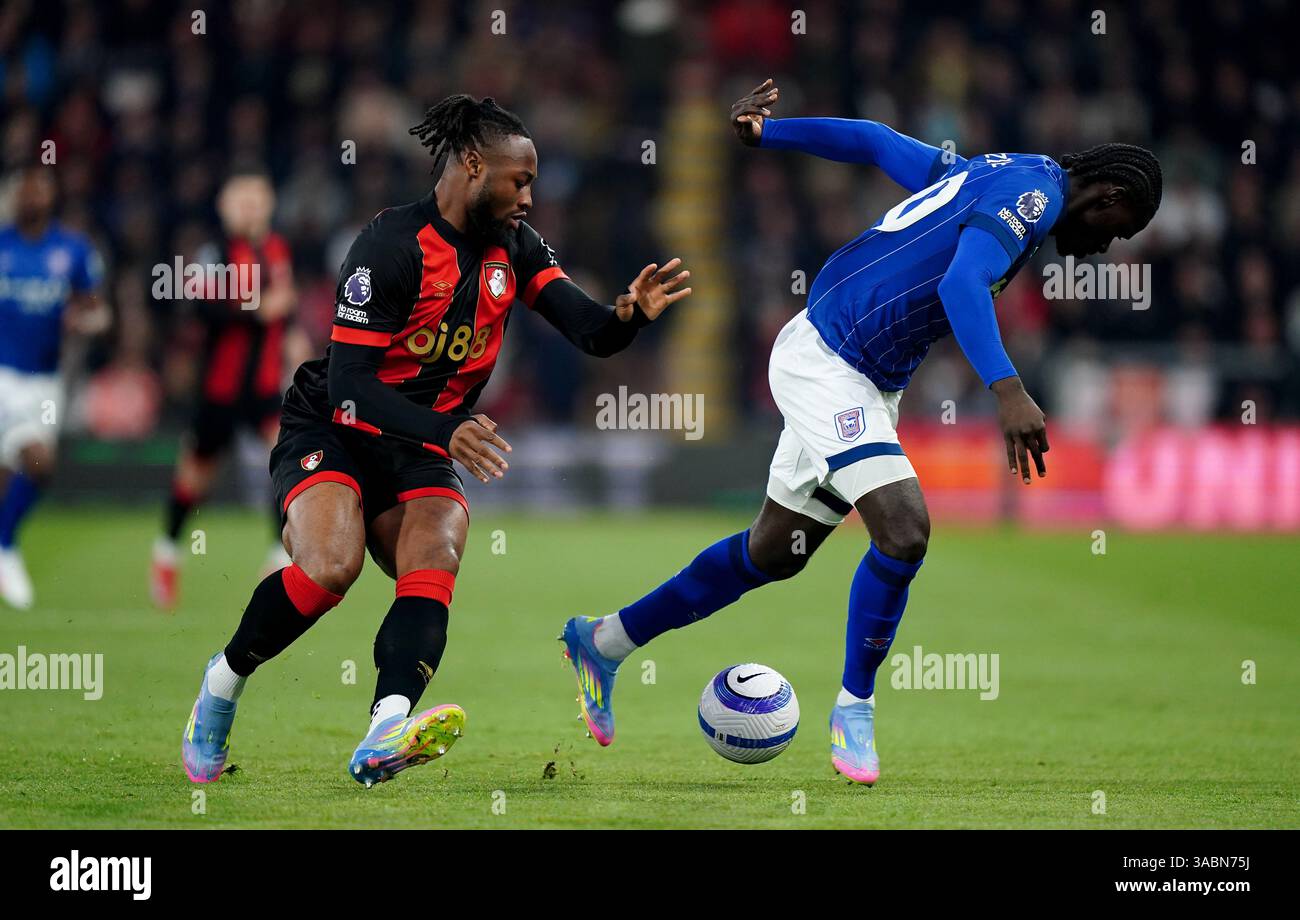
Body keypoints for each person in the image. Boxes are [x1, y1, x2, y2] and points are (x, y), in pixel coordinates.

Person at [560, 78, 1162, 784]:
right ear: (1111, 198)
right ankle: (855, 709)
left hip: (866, 376)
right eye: (1115, 233)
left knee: (773, 552)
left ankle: (603, 641)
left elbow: (877, 142)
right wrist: (1008, 389)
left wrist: (770, 133)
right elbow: (960, 285)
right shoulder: (1031, 201)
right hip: (828, 361)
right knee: (904, 530)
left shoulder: (1011, 169)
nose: (1098, 249)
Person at [181, 95, 692, 786]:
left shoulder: (516, 246)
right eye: (520, 181)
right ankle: (222, 682)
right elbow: (352, 385)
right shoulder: (388, 247)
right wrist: (448, 428)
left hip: (419, 443)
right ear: (474, 166)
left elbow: (590, 331)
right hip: (334, 427)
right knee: (333, 567)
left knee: (437, 552)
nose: (531, 197)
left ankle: (385, 727)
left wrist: (629, 317)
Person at [151, 170, 296, 609]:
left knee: (285, 461)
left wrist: (292, 341)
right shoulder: (214, 253)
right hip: (219, 388)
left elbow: (283, 311)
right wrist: (258, 310)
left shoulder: (276, 249)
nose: (250, 208)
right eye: (242, 200)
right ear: (225, 207)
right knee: (196, 475)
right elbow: (202, 309)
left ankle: (277, 554)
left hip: (265, 386)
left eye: (258, 199)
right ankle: (167, 552)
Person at [0, 166, 108, 609]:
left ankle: (4, 547)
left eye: (41, 188)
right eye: (25, 189)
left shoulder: (74, 249)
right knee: (8, 475)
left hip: (45, 378)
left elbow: (101, 314)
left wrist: (84, 319)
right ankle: (5, 551)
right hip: (2, 373)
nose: (33, 197)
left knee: (40, 463)